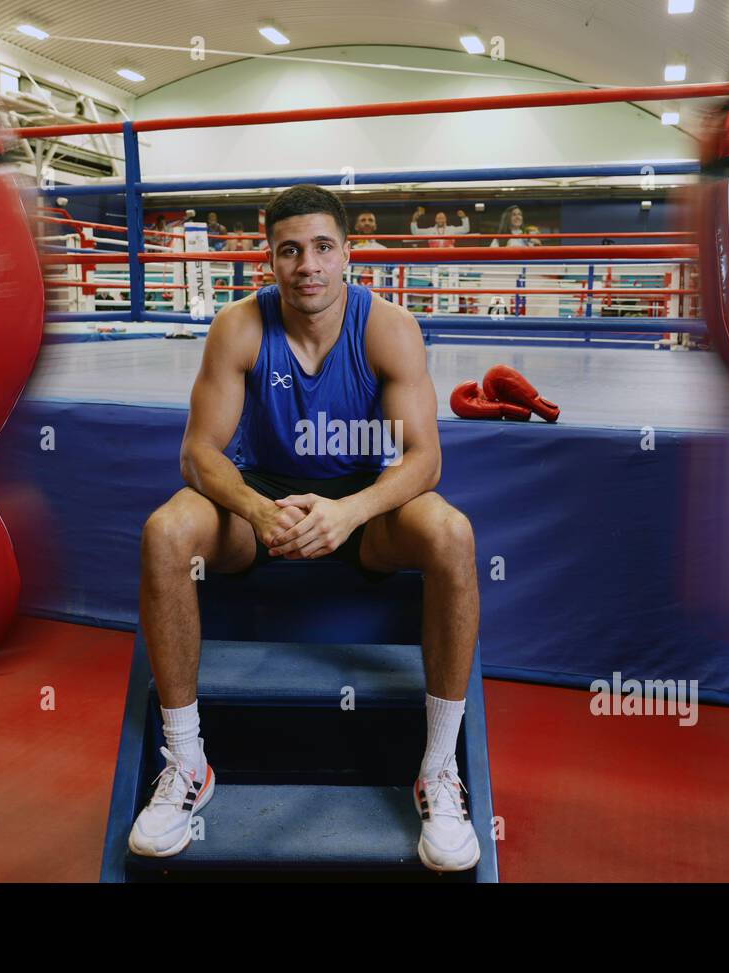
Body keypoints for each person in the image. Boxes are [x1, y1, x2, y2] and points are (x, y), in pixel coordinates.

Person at [129, 184, 481, 873]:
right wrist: (259, 511)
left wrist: (349, 511)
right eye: (290, 250)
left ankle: (438, 771)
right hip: (258, 503)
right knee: (165, 532)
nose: (307, 265)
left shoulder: (386, 327)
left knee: (452, 534)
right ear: (270, 259)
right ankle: (187, 763)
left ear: (348, 253)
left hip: (361, 506)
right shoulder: (239, 325)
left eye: (323, 247)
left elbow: (425, 458)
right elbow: (198, 452)